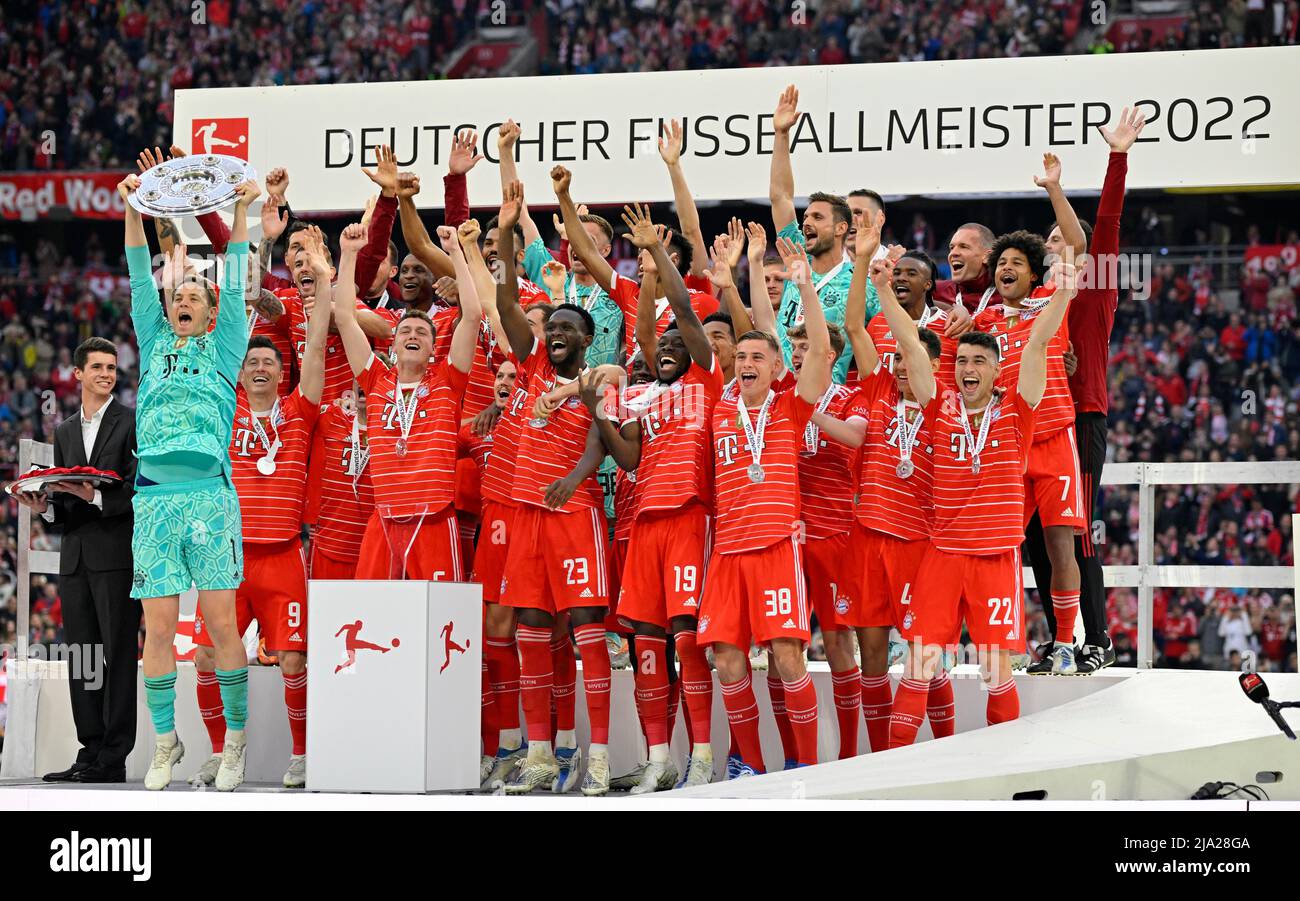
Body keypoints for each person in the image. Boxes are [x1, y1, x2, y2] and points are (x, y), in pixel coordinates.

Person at [889, 255, 1077, 747]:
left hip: (995, 557)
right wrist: (878, 283)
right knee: (920, 664)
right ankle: (888, 777)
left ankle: (1002, 771)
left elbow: (1037, 343)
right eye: (963, 362)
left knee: (996, 668)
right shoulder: (939, 406)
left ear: (997, 370)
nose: (969, 369)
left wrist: (1064, 293)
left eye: (980, 362)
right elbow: (909, 343)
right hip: (943, 554)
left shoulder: (1018, 411)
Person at [120, 173, 260, 791]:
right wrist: (131, 209)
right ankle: (166, 743)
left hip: (209, 499)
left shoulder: (227, 347)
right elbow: (134, 273)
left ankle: (234, 742)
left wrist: (243, 212)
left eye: (195, 296)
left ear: (209, 314)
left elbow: (235, 282)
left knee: (223, 625)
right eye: (179, 293)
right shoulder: (152, 341)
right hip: (153, 502)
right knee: (155, 628)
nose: (184, 298)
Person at [584, 203, 722, 792]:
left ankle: (704, 757)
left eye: (676, 344)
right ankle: (659, 757)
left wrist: (655, 261)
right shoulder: (641, 396)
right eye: (657, 347)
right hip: (643, 527)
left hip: (690, 520)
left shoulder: (706, 380)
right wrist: (600, 410)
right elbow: (630, 458)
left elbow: (685, 315)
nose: (666, 348)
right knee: (645, 642)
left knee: (687, 640)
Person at [190, 228, 330, 790]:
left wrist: (322, 276)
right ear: (241, 372)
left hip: (283, 559)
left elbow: (315, 347)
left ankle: (300, 755)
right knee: (205, 658)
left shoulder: (300, 412)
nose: (260, 368)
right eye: (252, 362)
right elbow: (210, 340)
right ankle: (224, 753)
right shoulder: (224, 410)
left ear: (281, 370)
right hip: (228, 560)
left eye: (269, 361)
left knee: (294, 663)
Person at [495, 177, 616, 797]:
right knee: (532, 633)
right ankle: (540, 754)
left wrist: (574, 477)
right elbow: (509, 305)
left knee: (588, 629)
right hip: (525, 515)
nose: (558, 333)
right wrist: (507, 235)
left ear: (589, 337)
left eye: (570, 327)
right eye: (555, 327)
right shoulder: (530, 364)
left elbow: (603, 434)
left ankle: (594, 756)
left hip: (576, 513)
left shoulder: (600, 376)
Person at [698, 234, 834, 775]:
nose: (747, 362)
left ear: (778, 369)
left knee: (785, 657)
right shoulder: (716, 407)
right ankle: (748, 766)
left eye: (760, 356)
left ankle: (804, 766)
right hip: (727, 552)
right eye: (743, 356)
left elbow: (821, 353)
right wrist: (729, 274)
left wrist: (802, 287)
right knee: (726, 659)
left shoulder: (790, 408)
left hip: (776, 546)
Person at [1029, 106, 1145, 674]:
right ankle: (1062, 640)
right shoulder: (1028, 305)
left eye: (1062, 234)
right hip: (1030, 425)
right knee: (1035, 540)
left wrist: (1116, 157)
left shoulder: (1093, 291)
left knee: (1076, 535)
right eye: (1048, 237)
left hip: (1080, 421)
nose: (1056, 240)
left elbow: (1108, 224)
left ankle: (1098, 640)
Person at [333, 214, 482, 581]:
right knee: (375, 617)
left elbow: (474, 314)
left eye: (422, 332)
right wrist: (348, 254)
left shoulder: (448, 379)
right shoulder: (376, 378)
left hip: (433, 517)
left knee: (440, 620)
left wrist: (456, 253)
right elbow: (343, 315)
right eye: (405, 331)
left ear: (433, 348)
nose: (412, 335)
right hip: (384, 516)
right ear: (394, 344)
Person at [19, 338, 139, 784]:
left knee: (119, 656)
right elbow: (65, 497)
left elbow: (137, 488)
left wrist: (99, 497)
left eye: (112, 367)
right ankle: (89, 751)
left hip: (116, 555)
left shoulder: (131, 422)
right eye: (98, 367)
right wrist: (44, 509)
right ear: (79, 374)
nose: (107, 374)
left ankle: (114, 757)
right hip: (74, 560)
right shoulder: (65, 431)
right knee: (84, 657)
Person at [974, 227, 1085, 674]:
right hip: (1007, 443)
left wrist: (1055, 189)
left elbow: (1075, 244)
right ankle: (1009, 641)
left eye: (1017, 263)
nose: (1006, 268)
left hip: (1055, 437)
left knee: (1061, 549)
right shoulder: (983, 323)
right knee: (1001, 547)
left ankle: (1063, 644)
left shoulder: (1052, 300)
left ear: (1034, 272)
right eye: (1001, 262)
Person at [768, 85, 864, 383]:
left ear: (841, 228)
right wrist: (781, 136)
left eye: (817, 217)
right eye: (806, 215)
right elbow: (781, 197)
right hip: (777, 391)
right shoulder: (796, 255)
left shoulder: (862, 282)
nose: (806, 221)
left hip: (826, 395)